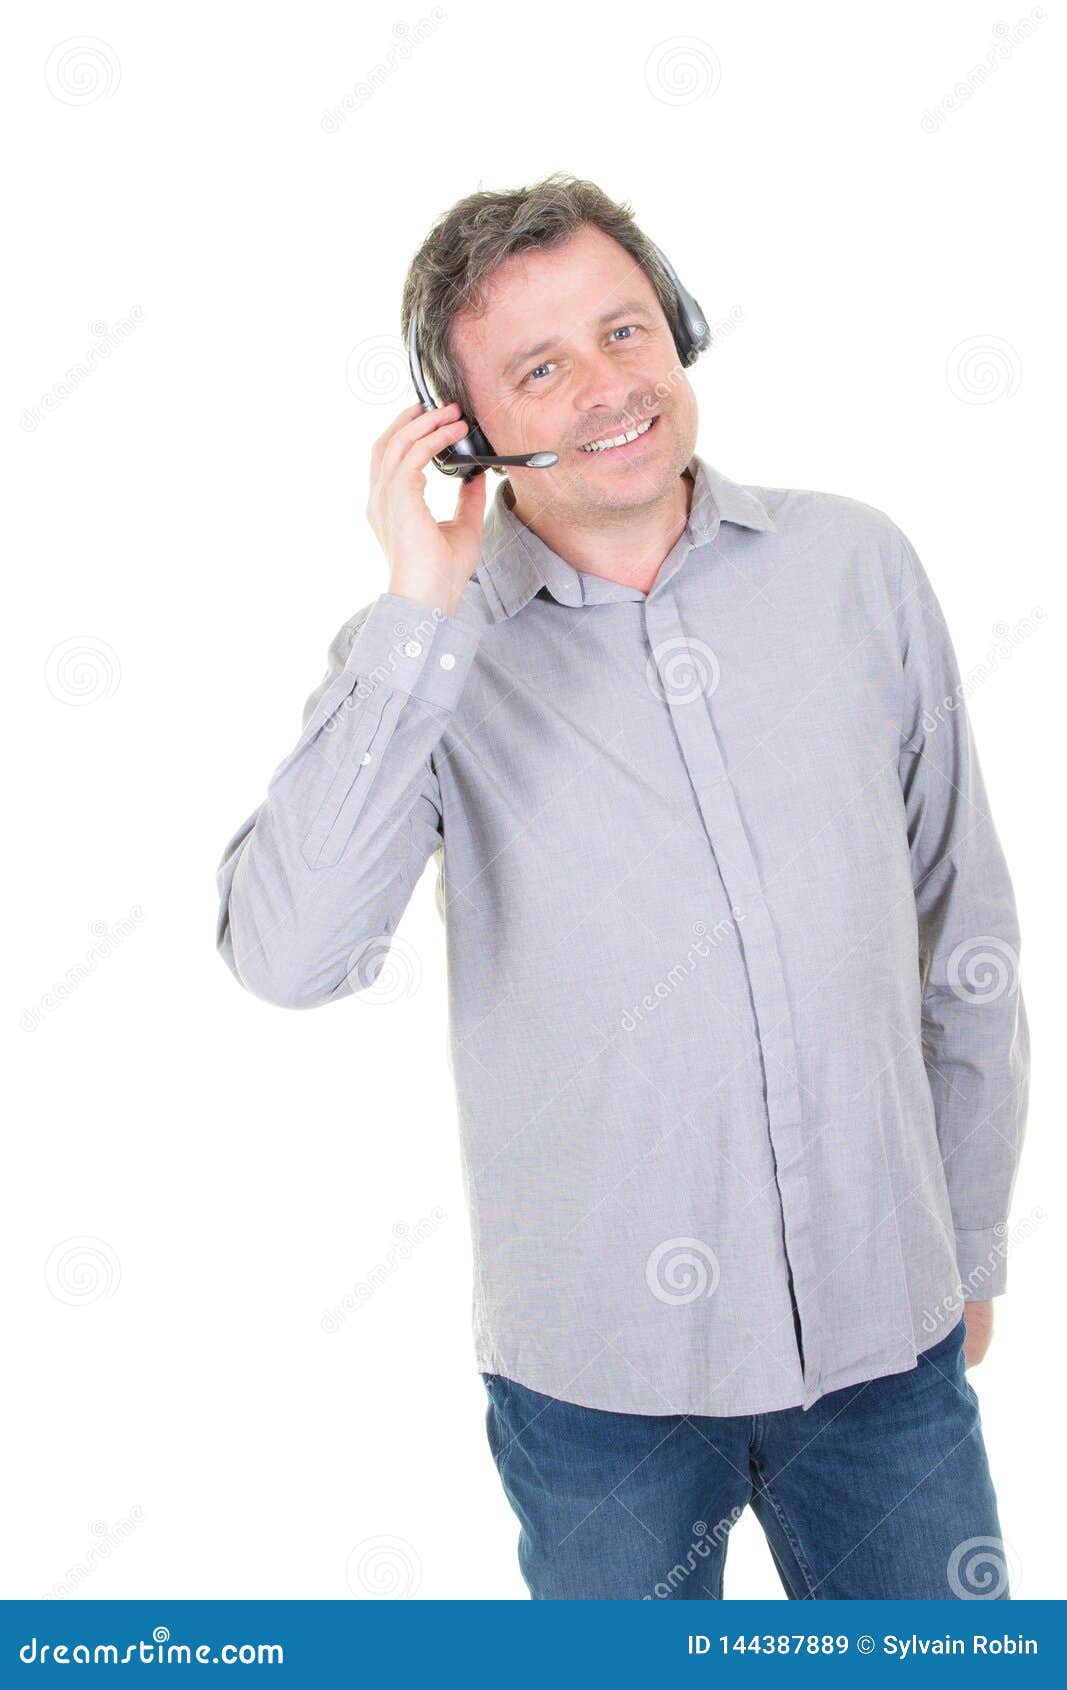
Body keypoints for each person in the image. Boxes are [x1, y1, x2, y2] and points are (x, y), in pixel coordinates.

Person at [215, 174, 1029, 1600]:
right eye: (541, 367)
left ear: (682, 330)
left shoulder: (855, 566)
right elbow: (288, 953)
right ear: (465, 432)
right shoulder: (423, 655)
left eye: (627, 331)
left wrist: (966, 1241)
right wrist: (418, 610)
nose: (608, 389)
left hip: (887, 1349)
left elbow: (964, 923)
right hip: (602, 1399)